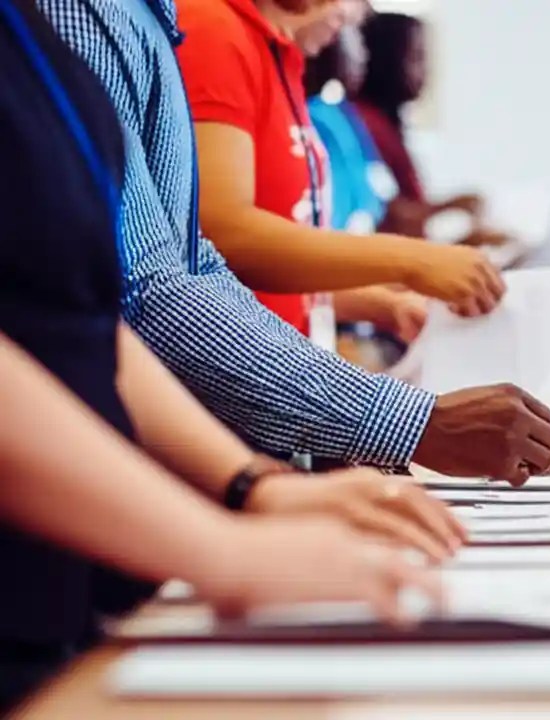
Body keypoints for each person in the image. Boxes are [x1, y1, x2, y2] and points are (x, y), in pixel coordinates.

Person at [0, 2, 436, 705]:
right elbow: (149, 293)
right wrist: (221, 546)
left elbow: (102, 310)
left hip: (67, 580)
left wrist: (253, 487)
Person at [35, 0, 550, 485]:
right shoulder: (201, 29)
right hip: (172, 435)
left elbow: (193, 260)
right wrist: (407, 418)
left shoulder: (204, 31)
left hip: (248, 419)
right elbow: (162, 281)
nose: (356, 14)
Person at [175, 0, 499, 351]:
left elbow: (279, 266)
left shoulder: (278, 54)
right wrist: (413, 261)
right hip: (240, 369)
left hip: (292, 357)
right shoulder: (215, 30)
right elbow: (222, 237)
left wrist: (383, 305)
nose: (356, 16)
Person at [355, 12, 503, 244]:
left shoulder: (387, 122)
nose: (426, 72)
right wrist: (450, 214)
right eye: (416, 58)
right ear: (386, 58)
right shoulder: (362, 124)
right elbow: (387, 215)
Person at [306, 22, 393, 235]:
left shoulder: (343, 113)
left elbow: (378, 194)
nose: (364, 55)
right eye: (354, 38)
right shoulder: (312, 116)